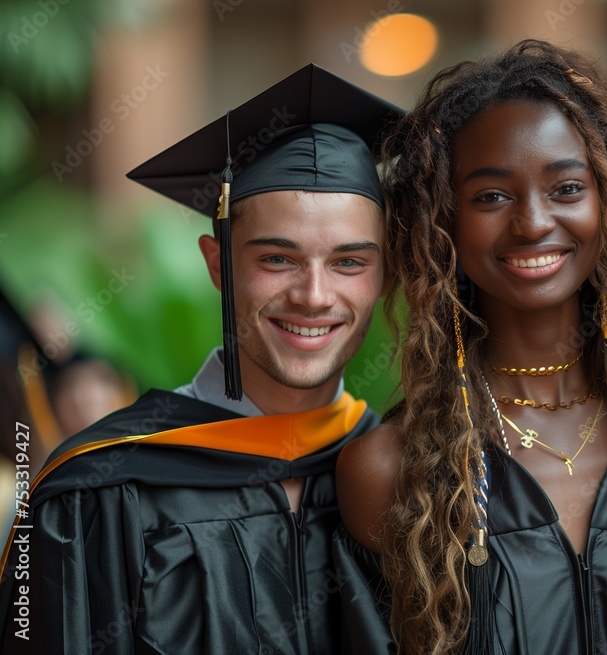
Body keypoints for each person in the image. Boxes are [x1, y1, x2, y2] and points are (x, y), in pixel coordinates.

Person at [335, 40, 607, 655]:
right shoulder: (389, 472)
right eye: (491, 196)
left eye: (567, 188)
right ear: (444, 221)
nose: (532, 222)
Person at [0, 63, 402, 653]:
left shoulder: (411, 480)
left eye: (349, 262)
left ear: (384, 273)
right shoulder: (97, 491)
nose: (314, 296)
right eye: (276, 260)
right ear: (218, 264)